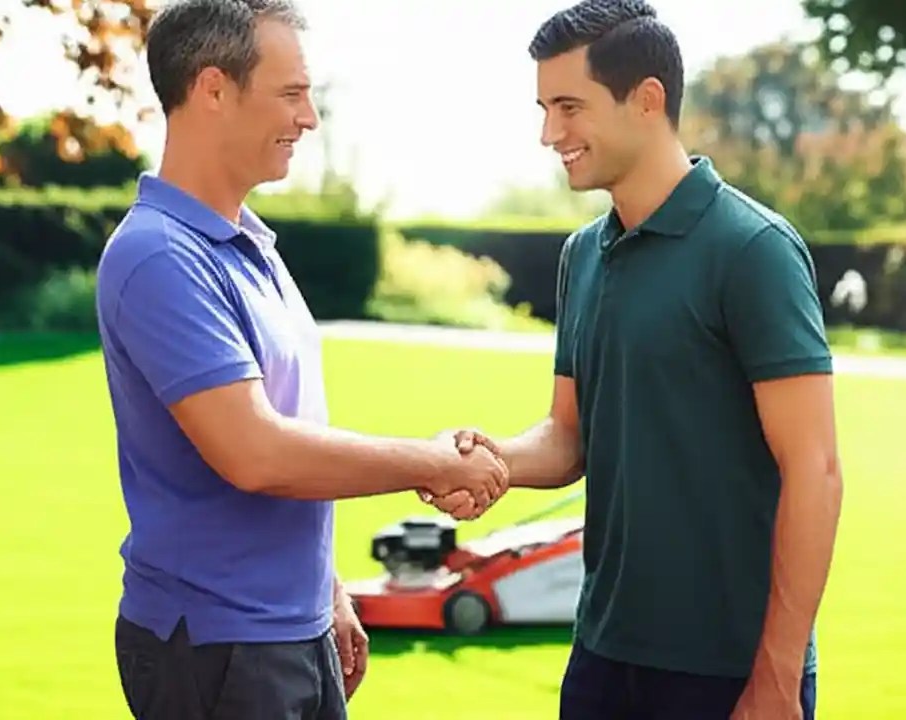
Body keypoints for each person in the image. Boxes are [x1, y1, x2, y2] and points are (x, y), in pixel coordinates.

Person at [92, 1, 509, 718]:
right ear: (214, 89)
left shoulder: (251, 246)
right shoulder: (159, 255)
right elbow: (257, 452)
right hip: (216, 644)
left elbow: (293, 427)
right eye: (291, 93)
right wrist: (433, 462)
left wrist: (326, 589)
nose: (309, 118)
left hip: (286, 628)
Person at [428, 1, 843, 718]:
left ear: (647, 100)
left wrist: (776, 676)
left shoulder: (752, 251)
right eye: (543, 108)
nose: (549, 133)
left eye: (568, 107)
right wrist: (493, 459)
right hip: (602, 658)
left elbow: (816, 470)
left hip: (725, 669)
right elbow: (568, 437)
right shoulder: (581, 257)